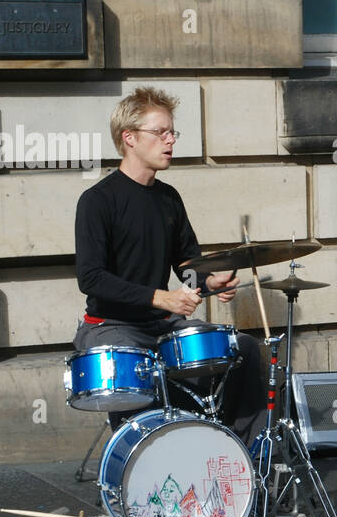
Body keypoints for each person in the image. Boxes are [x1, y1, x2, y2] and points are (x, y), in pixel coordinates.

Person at [72, 86, 265, 445]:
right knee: (148, 372)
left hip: (162, 325)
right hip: (112, 326)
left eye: (172, 132)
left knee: (245, 349)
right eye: (160, 132)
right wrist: (161, 298)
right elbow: (91, 278)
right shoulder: (97, 201)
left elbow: (187, 266)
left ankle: (244, 456)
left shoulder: (168, 198)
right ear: (129, 138)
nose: (170, 141)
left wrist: (211, 283)